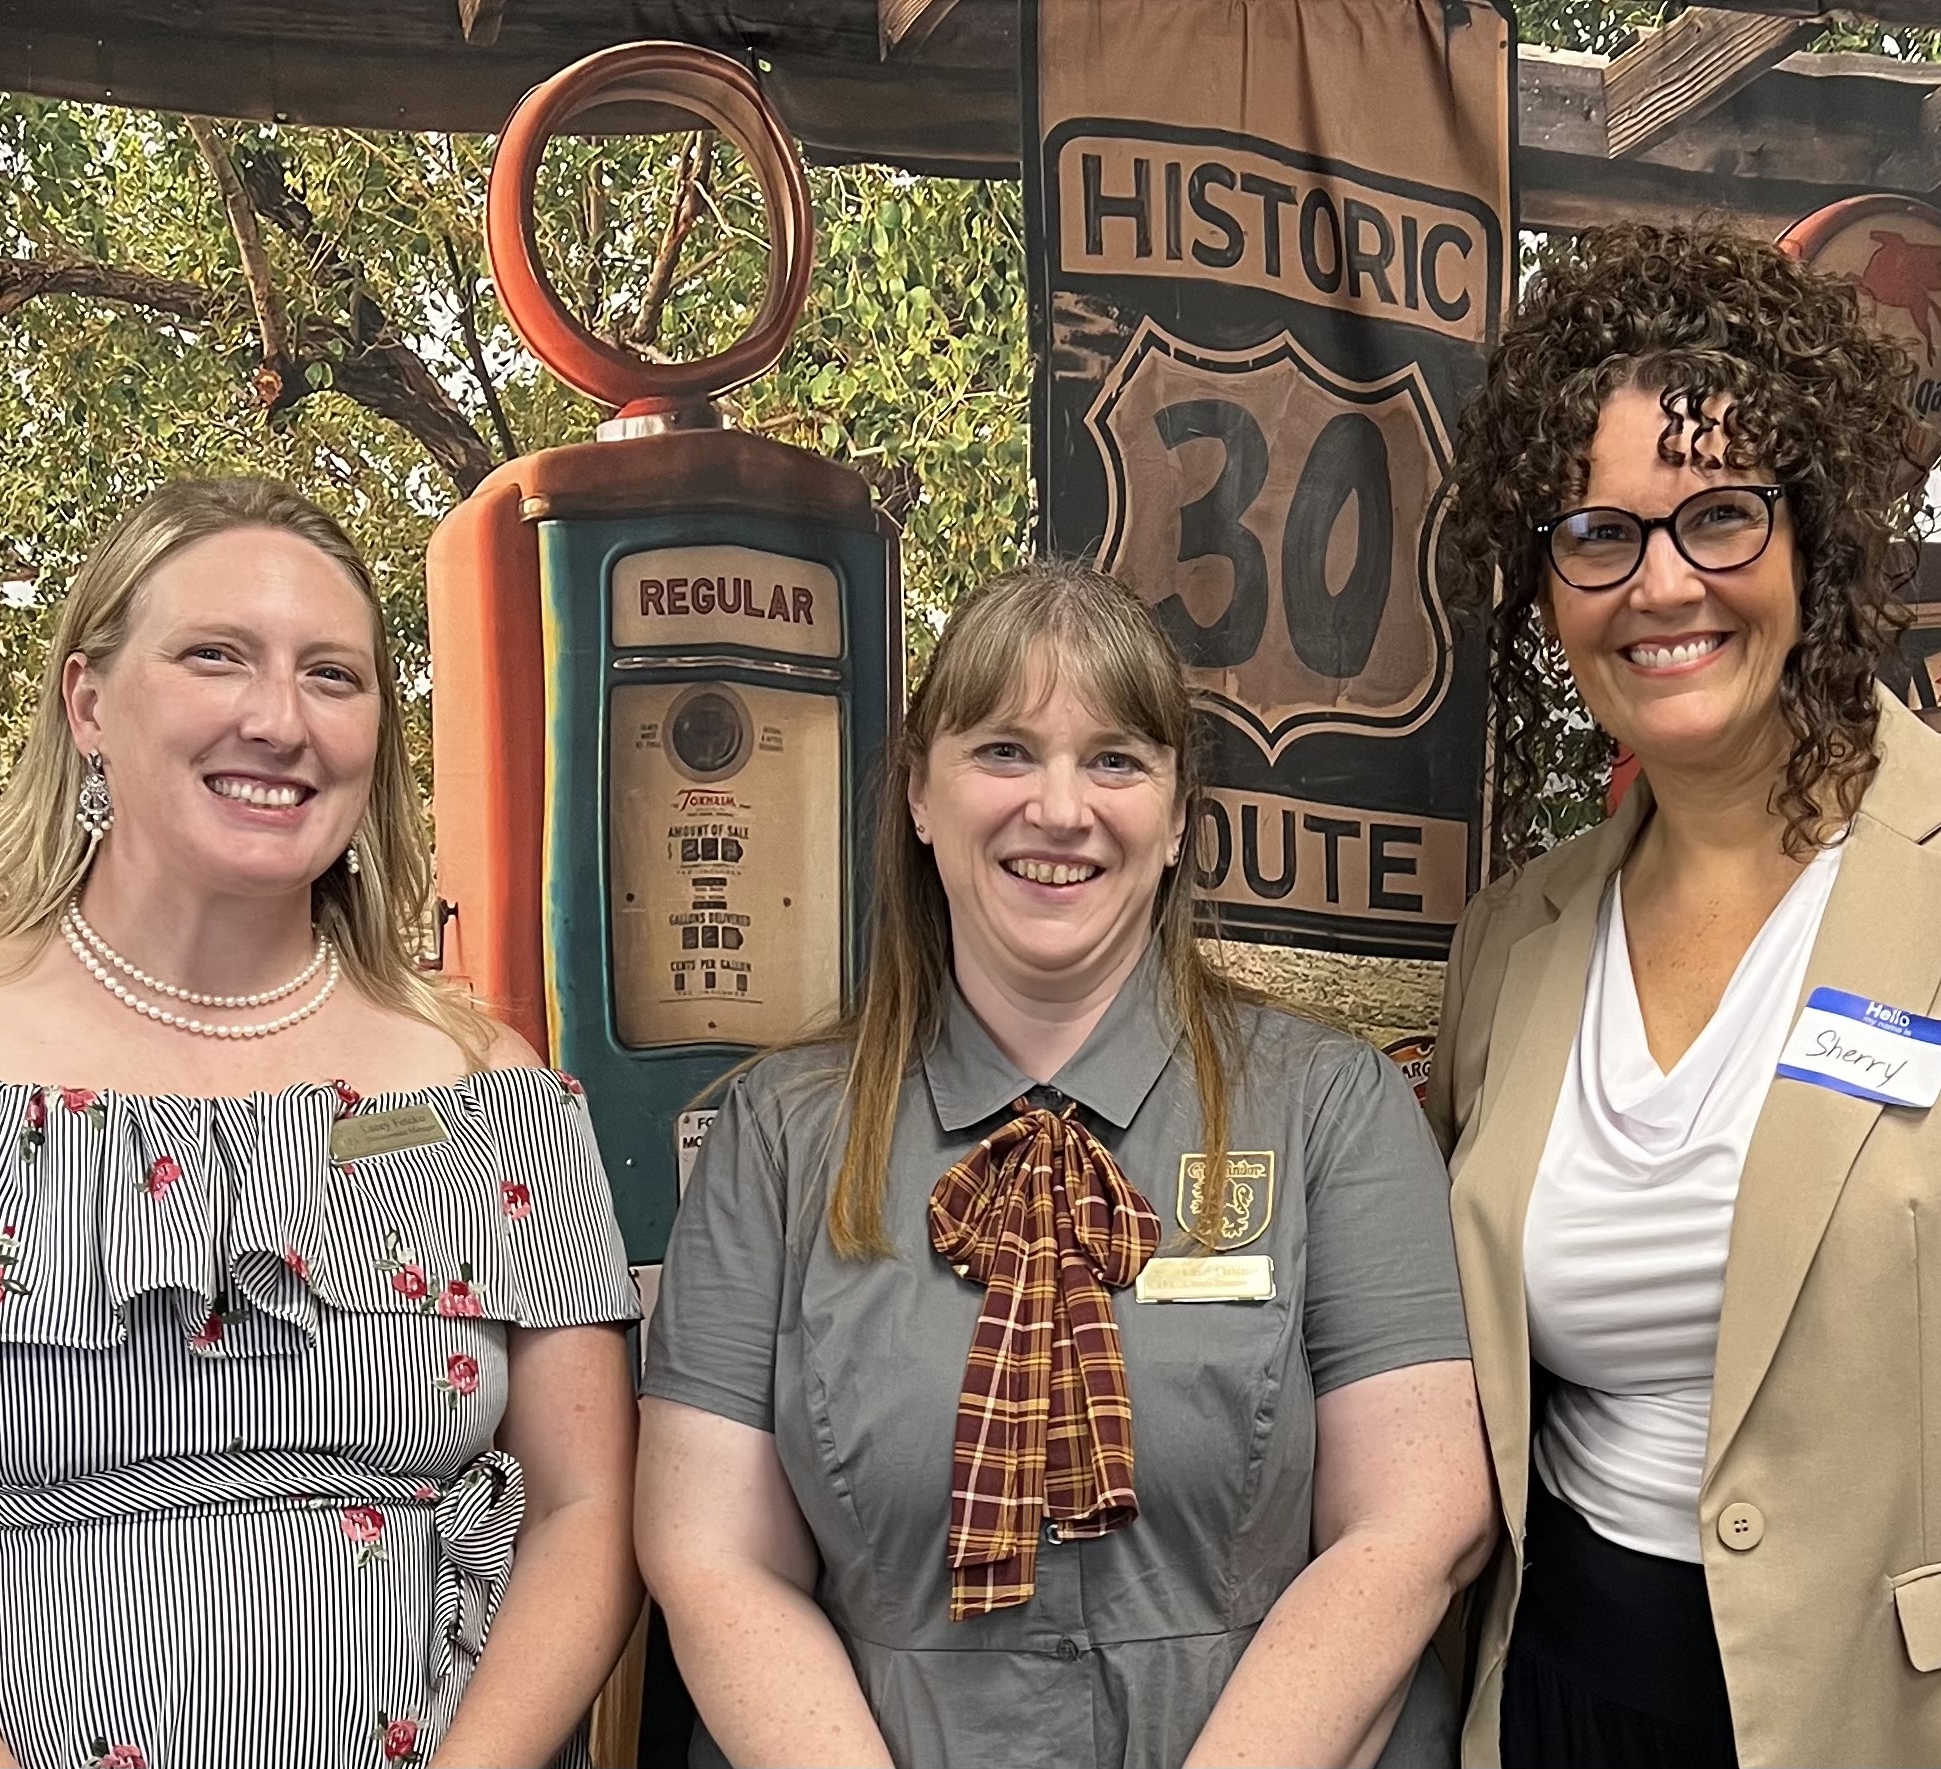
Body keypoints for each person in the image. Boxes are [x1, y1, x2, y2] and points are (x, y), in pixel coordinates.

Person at [1425, 221, 1941, 1769]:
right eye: (1598, 533)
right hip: (1562, 1705)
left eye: (1720, 518)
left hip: (1933, 1729)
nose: (1659, 583)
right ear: (1545, 581)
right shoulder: (1516, 940)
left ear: (1813, 532)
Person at [0, 477, 641, 1769]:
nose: (278, 719)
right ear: (89, 703)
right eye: (215, 656)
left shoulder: (487, 1083)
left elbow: (588, 1507)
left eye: (332, 676)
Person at [634, 560, 1495, 1768]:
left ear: (1178, 811)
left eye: (1113, 759)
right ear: (921, 796)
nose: (1057, 807)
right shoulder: (777, 1134)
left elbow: (1415, 1520)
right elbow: (709, 1549)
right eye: (1002, 750)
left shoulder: (1327, 1106)